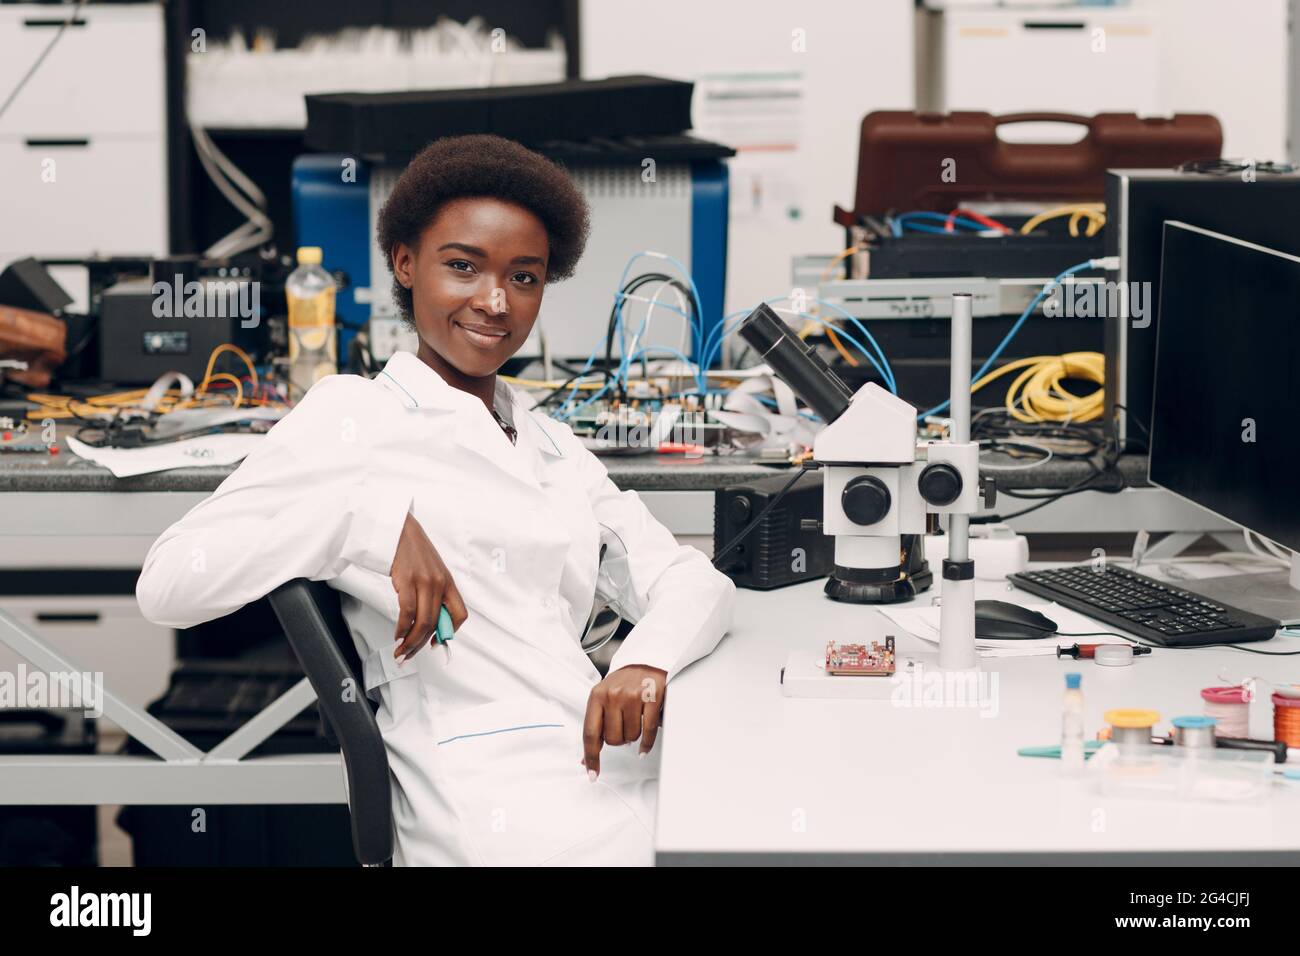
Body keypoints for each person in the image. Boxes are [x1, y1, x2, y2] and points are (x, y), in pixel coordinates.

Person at [135, 133, 736, 866]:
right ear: (405, 263)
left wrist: (646, 660)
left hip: (601, 747)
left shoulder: (546, 439)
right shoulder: (350, 415)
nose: (494, 302)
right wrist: (368, 523)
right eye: (463, 267)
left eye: (524, 277)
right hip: (487, 794)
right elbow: (167, 583)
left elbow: (689, 579)